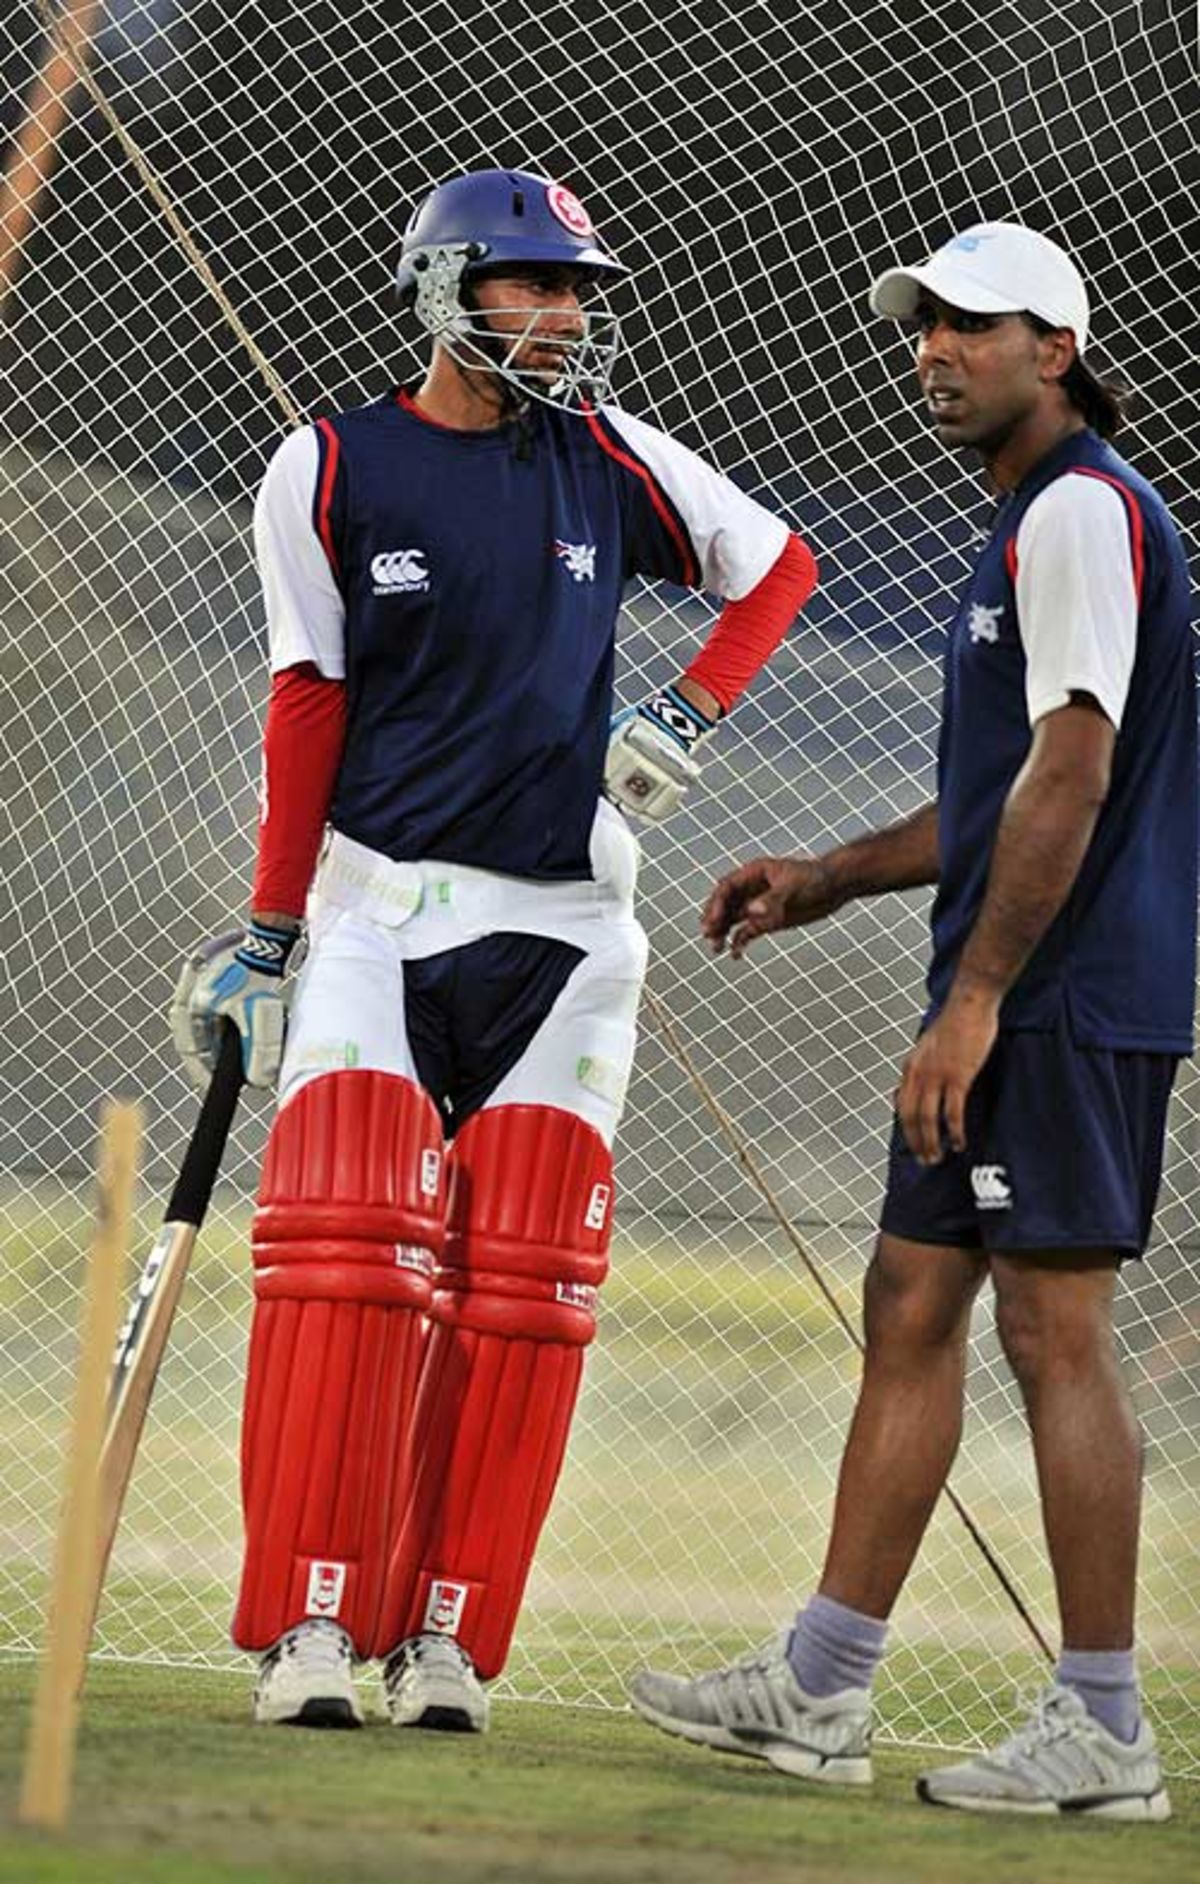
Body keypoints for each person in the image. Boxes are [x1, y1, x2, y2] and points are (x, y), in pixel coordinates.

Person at [170, 167, 817, 1732]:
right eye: (539, 287)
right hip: (380, 919)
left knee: (526, 1293)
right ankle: (312, 1629)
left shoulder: (604, 455)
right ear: (454, 291)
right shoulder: (329, 465)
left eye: (581, 291)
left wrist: (686, 710)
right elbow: (306, 701)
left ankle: (448, 1641)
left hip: (577, 932)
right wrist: (266, 939)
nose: (570, 318)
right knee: (343, 1272)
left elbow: (777, 566)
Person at [629, 223, 1195, 1821]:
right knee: (908, 1300)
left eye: (972, 326)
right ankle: (820, 1686)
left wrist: (977, 1000)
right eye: (923, 326)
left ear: (1058, 352)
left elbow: (1074, 772)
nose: (934, 350)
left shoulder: (1084, 511)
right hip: (1020, 994)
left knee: (1051, 1330)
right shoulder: (1031, 520)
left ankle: (1105, 1731)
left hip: (1065, 1005)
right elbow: (1003, 789)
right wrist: (832, 874)